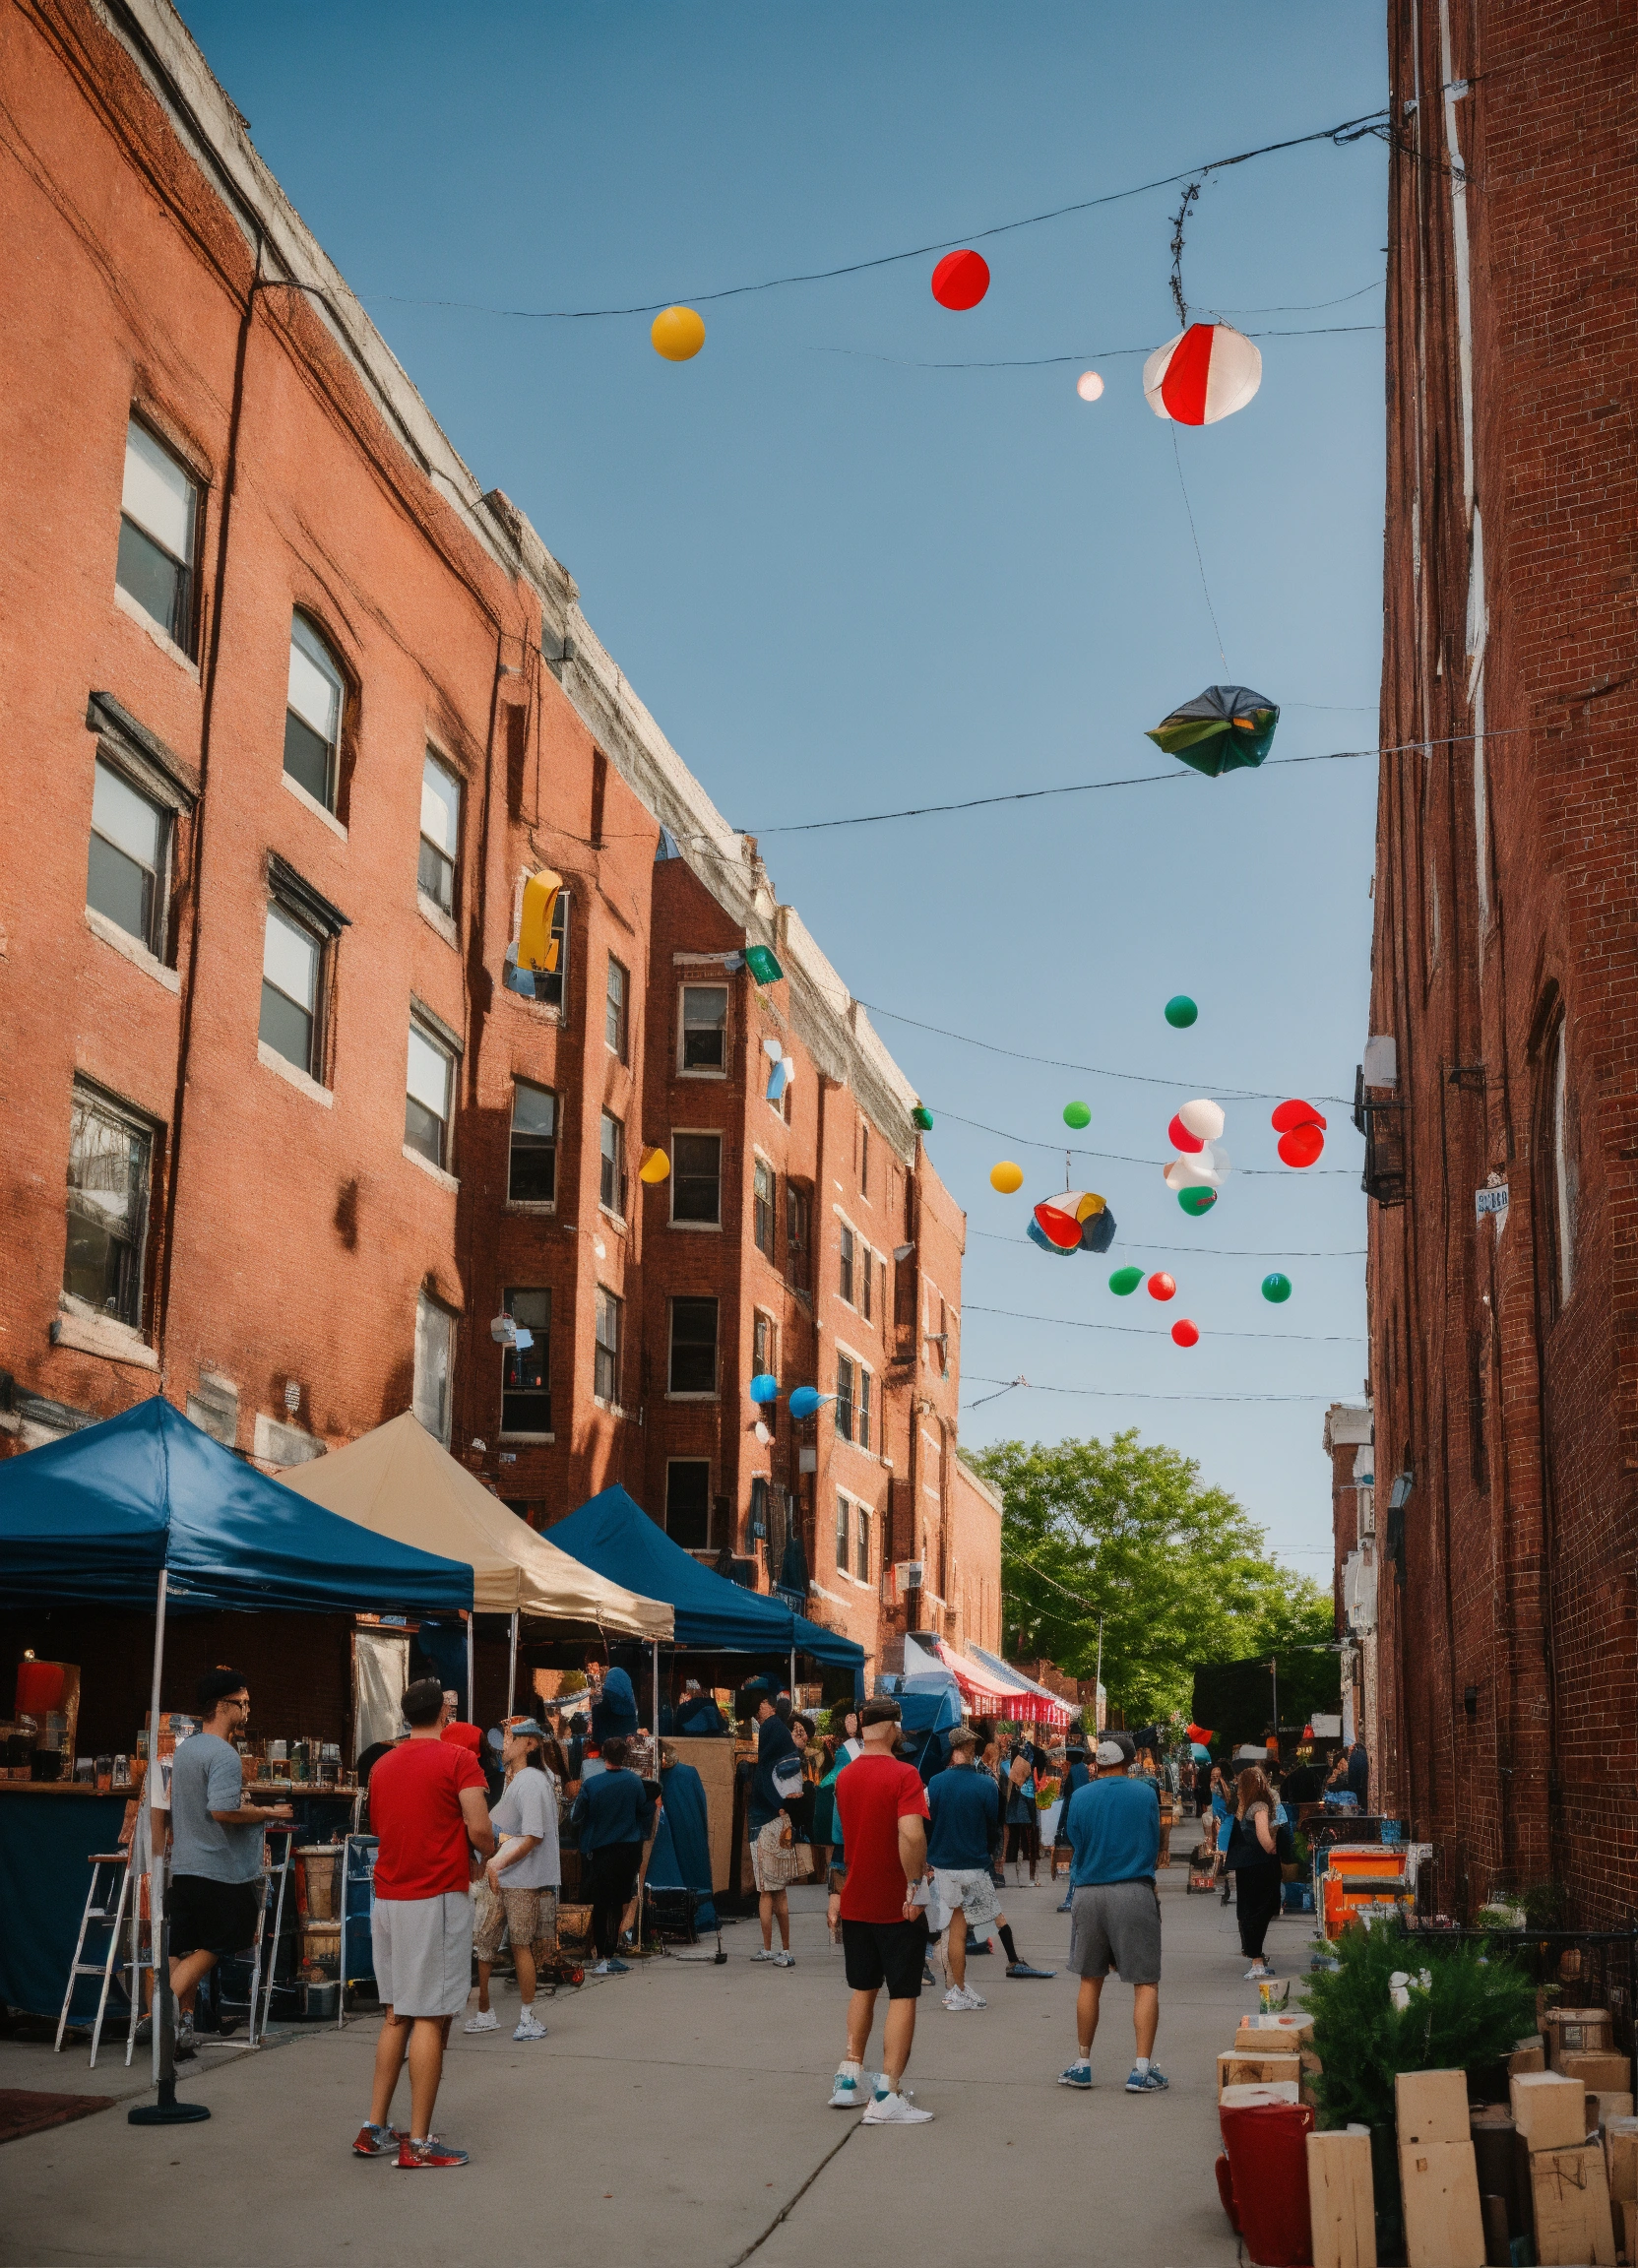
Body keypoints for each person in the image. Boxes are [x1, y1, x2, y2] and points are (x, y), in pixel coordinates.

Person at [356, 1677, 494, 2169]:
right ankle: (418, 2142)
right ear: (444, 1715)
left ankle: (374, 2127)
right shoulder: (459, 1760)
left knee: (397, 2012)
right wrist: (488, 1854)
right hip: (433, 1896)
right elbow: (480, 1827)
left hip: (389, 1896)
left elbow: (381, 1827)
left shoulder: (382, 1764)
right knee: (431, 2016)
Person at [165, 1670, 292, 2057]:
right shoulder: (224, 1754)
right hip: (218, 1868)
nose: (248, 1710)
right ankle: (162, 2009)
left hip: (185, 1864)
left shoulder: (186, 1749)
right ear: (222, 1706)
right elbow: (222, 1811)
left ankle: (176, 2028)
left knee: (184, 1946)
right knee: (229, 1936)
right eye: (243, 1703)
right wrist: (267, 1814)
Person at [826, 1698, 934, 2124]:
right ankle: (888, 2093)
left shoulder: (846, 1776)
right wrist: (913, 1883)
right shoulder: (905, 1774)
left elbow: (842, 1837)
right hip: (896, 1903)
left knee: (863, 1987)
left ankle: (848, 2076)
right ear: (891, 1728)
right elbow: (910, 1833)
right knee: (903, 1994)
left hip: (856, 1898)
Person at [1058, 1733, 1167, 2095]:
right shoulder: (1143, 1794)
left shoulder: (1081, 1796)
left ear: (1098, 1764)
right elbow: (1153, 1839)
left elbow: (1074, 1840)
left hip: (1089, 1893)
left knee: (1090, 1979)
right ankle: (1140, 2069)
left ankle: (1082, 2063)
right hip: (1133, 1889)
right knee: (1145, 1983)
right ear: (1130, 1762)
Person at [466, 1718, 561, 2041]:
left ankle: (526, 2016)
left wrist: (494, 1864)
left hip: (521, 1878)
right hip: (508, 1876)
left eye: (511, 1737)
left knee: (520, 1945)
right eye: (504, 1736)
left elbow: (533, 1835)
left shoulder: (532, 1781)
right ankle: (485, 2010)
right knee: (486, 1942)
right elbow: (508, 1829)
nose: (504, 1743)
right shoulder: (518, 1779)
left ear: (530, 1744)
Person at [925, 1726, 1003, 2010]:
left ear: (953, 1750)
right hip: (975, 1864)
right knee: (981, 1923)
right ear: (974, 1751)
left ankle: (957, 1986)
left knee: (955, 1930)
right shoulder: (986, 1785)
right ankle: (958, 1989)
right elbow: (992, 1827)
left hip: (945, 1864)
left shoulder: (934, 1783)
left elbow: (927, 1824)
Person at [567, 1733, 654, 1975]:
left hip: (597, 1852)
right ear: (624, 1756)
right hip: (626, 1850)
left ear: (604, 1755)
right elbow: (642, 1811)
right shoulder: (634, 1782)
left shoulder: (591, 1784)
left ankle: (598, 1953)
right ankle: (610, 1953)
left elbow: (576, 1817)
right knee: (617, 1902)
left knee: (599, 1903)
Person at [745, 1686, 802, 1965]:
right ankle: (785, 1949)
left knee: (766, 1891)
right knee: (779, 1891)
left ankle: (770, 1948)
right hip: (780, 1821)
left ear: (767, 1706)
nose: (758, 1715)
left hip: (763, 1821)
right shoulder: (784, 1740)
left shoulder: (770, 1730)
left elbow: (765, 1777)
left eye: (759, 1709)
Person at [1227, 1766, 1284, 1980]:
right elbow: (1263, 1836)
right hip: (1261, 1865)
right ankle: (1257, 1960)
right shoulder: (1260, 1806)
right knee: (1261, 1912)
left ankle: (1254, 1956)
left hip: (1246, 1867)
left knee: (1248, 1911)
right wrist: (1273, 1847)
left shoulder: (1243, 1806)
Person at [1052, 1745, 1092, 1912]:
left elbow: (1070, 1800)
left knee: (1075, 1862)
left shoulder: (1074, 1772)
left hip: (1075, 1821)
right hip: (1085, 1820)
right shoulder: (1082, 1770)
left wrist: (1062, 1825)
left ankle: (1072, 1897)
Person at [1004, 1743, 1040, 1888]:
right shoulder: (1024, 1766)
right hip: (1023, 1810)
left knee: (1014, 1845)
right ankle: (1026, 1878)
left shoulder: (1005, 1766)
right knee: (1026, 1846)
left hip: (1013, 1810)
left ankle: (1015, 1878)